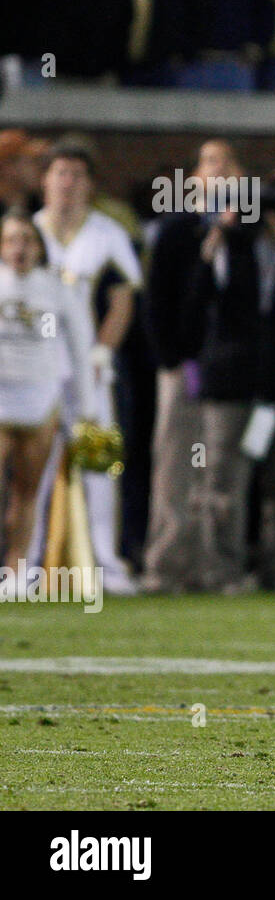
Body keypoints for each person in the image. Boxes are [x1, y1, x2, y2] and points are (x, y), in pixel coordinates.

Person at [185, 175, 275, 591]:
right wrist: (219, 243)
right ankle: (222, 571)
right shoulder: (230, 249)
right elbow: (200, 300)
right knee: (225, 486)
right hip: (234, 384)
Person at [32, 141, 143, 594]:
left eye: (77, 174)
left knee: (98, 468)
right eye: (60, 173)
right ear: (46, 180)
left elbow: (121, 300)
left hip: (89, 374)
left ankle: (104, 564)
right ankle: (28, 563)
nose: (68, 182)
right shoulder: (24, 230)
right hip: (31, 371)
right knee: (32, 469)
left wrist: (102, 351)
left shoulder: (106, 234)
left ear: (90, 184)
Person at [141, 138, 238, 593]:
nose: (219, 173)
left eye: (227, 165)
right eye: (210, 163)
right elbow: (158, 299)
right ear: (195, 176)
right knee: (176, 463)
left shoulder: (245, 235)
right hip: (185, 364)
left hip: (224, 369)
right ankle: (165, 565)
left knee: (213, 470)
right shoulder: (177, 230)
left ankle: (206, 566)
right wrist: (170, 359)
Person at [0, 211, 95, 575]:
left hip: (40, 398)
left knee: (27, 493)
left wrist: (86, 408)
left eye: (27, 240)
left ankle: (16, 571)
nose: (19, 248)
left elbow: (79, 349)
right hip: (2, 394)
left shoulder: (57, 288)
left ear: (39, 246)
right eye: (11, 240)